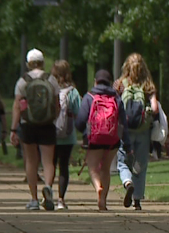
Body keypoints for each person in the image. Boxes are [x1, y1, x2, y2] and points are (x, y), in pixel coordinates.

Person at [9, 48, 61, 211]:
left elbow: (18, 106)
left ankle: (34, 199)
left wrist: (13, 128)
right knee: (48, 161)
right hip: (47, 125)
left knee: (31, 161)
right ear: (43, 62)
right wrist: (52, 118)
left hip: (28, 124)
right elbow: (57, 105)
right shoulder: (51, 79)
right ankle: (48, 186)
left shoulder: (23, 81)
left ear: (28, 64)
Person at [75, 69, 131, 211]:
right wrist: (127, 144)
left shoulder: (89, 97)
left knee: (93, 169)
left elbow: (80, 121)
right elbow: (123, 124)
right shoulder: (117, 98)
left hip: (94, 139)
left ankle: (98, 187)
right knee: (105, 169)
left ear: (95, 81)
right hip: (112, 140)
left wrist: (84, 133)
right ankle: (103, 202)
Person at [113, 53, 159, 210]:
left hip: (125, 130)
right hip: (143, 131)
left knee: (122, 161)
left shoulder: (120, 84)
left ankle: (127, 182)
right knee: (140, 164)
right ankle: (137, 200)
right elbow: (155, 108)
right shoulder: (148, 86)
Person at [51, 60, 82, 210]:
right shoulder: (73, 92)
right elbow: (79, 113)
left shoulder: (49, 88)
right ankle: (61, 200)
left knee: (50, 164)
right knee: (63, 166)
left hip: (50, 134)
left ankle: (47, 194)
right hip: (68, 136)